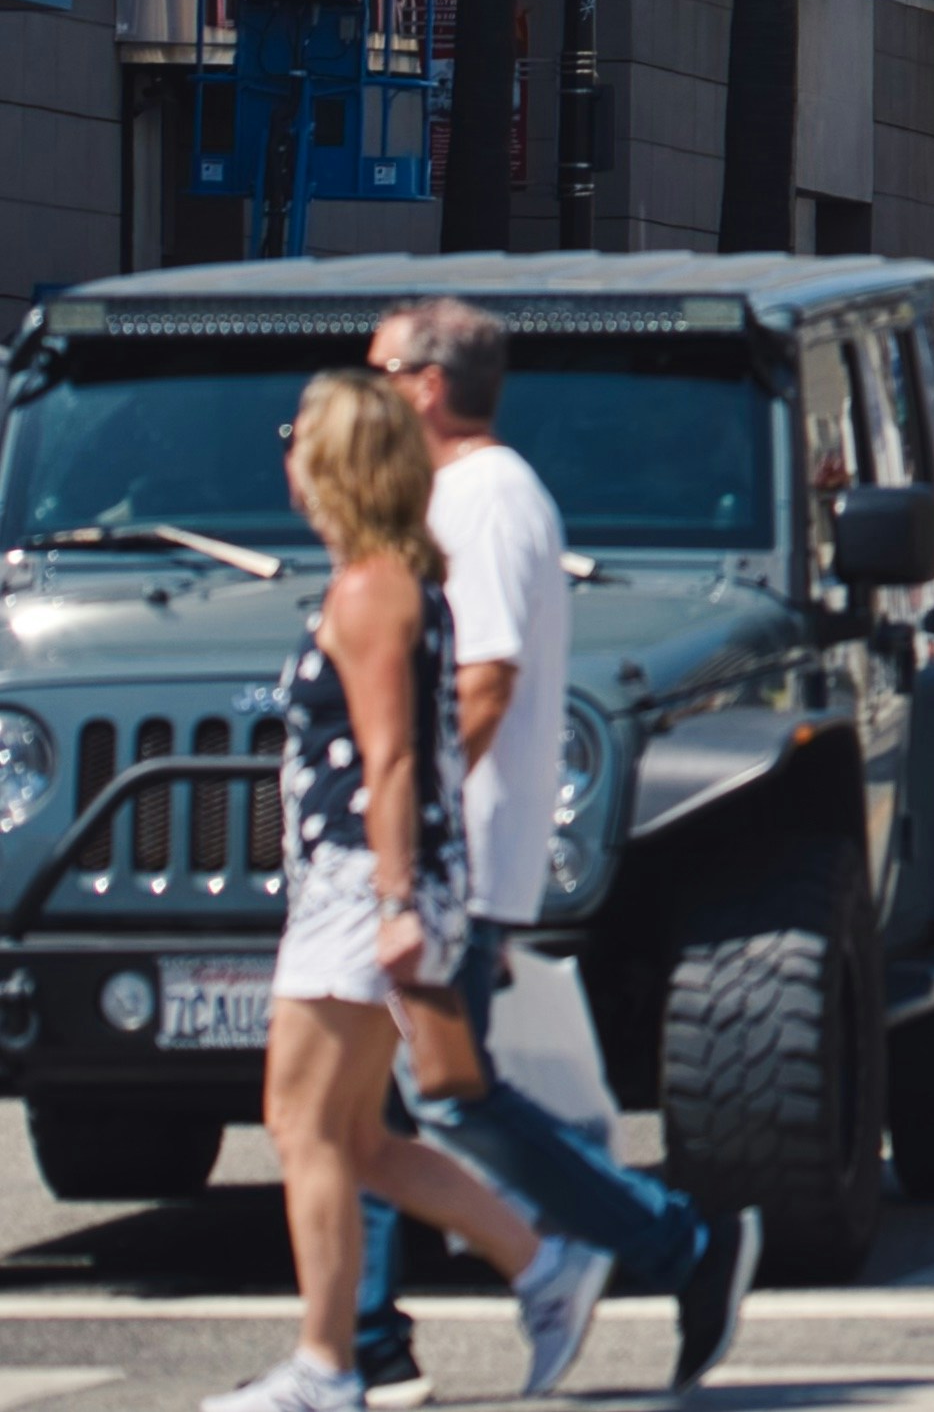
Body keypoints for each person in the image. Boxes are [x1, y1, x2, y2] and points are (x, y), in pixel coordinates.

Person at [350, 302, 751, 1400]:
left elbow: (483, 679)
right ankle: (366, 1336)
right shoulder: (463, 495)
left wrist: (400, 816)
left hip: (452, 857)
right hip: (449, 857)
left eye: (378, 366)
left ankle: (673, 1240)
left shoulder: (481, 499)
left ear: (429, 384)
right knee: (379, 1102)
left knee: (441, 1098)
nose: (366, 385)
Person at [217, 371, 602, 1412]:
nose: (288, 450)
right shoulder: (388, 577)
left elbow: (391, 759)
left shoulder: (372, 588)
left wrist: (394, 902)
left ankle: (329, 1364)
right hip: (373, 879)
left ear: (336, 461)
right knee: (357, 1134)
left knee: (304, 1123)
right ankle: (538, 1266)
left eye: (302, 433)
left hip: (362, 880)